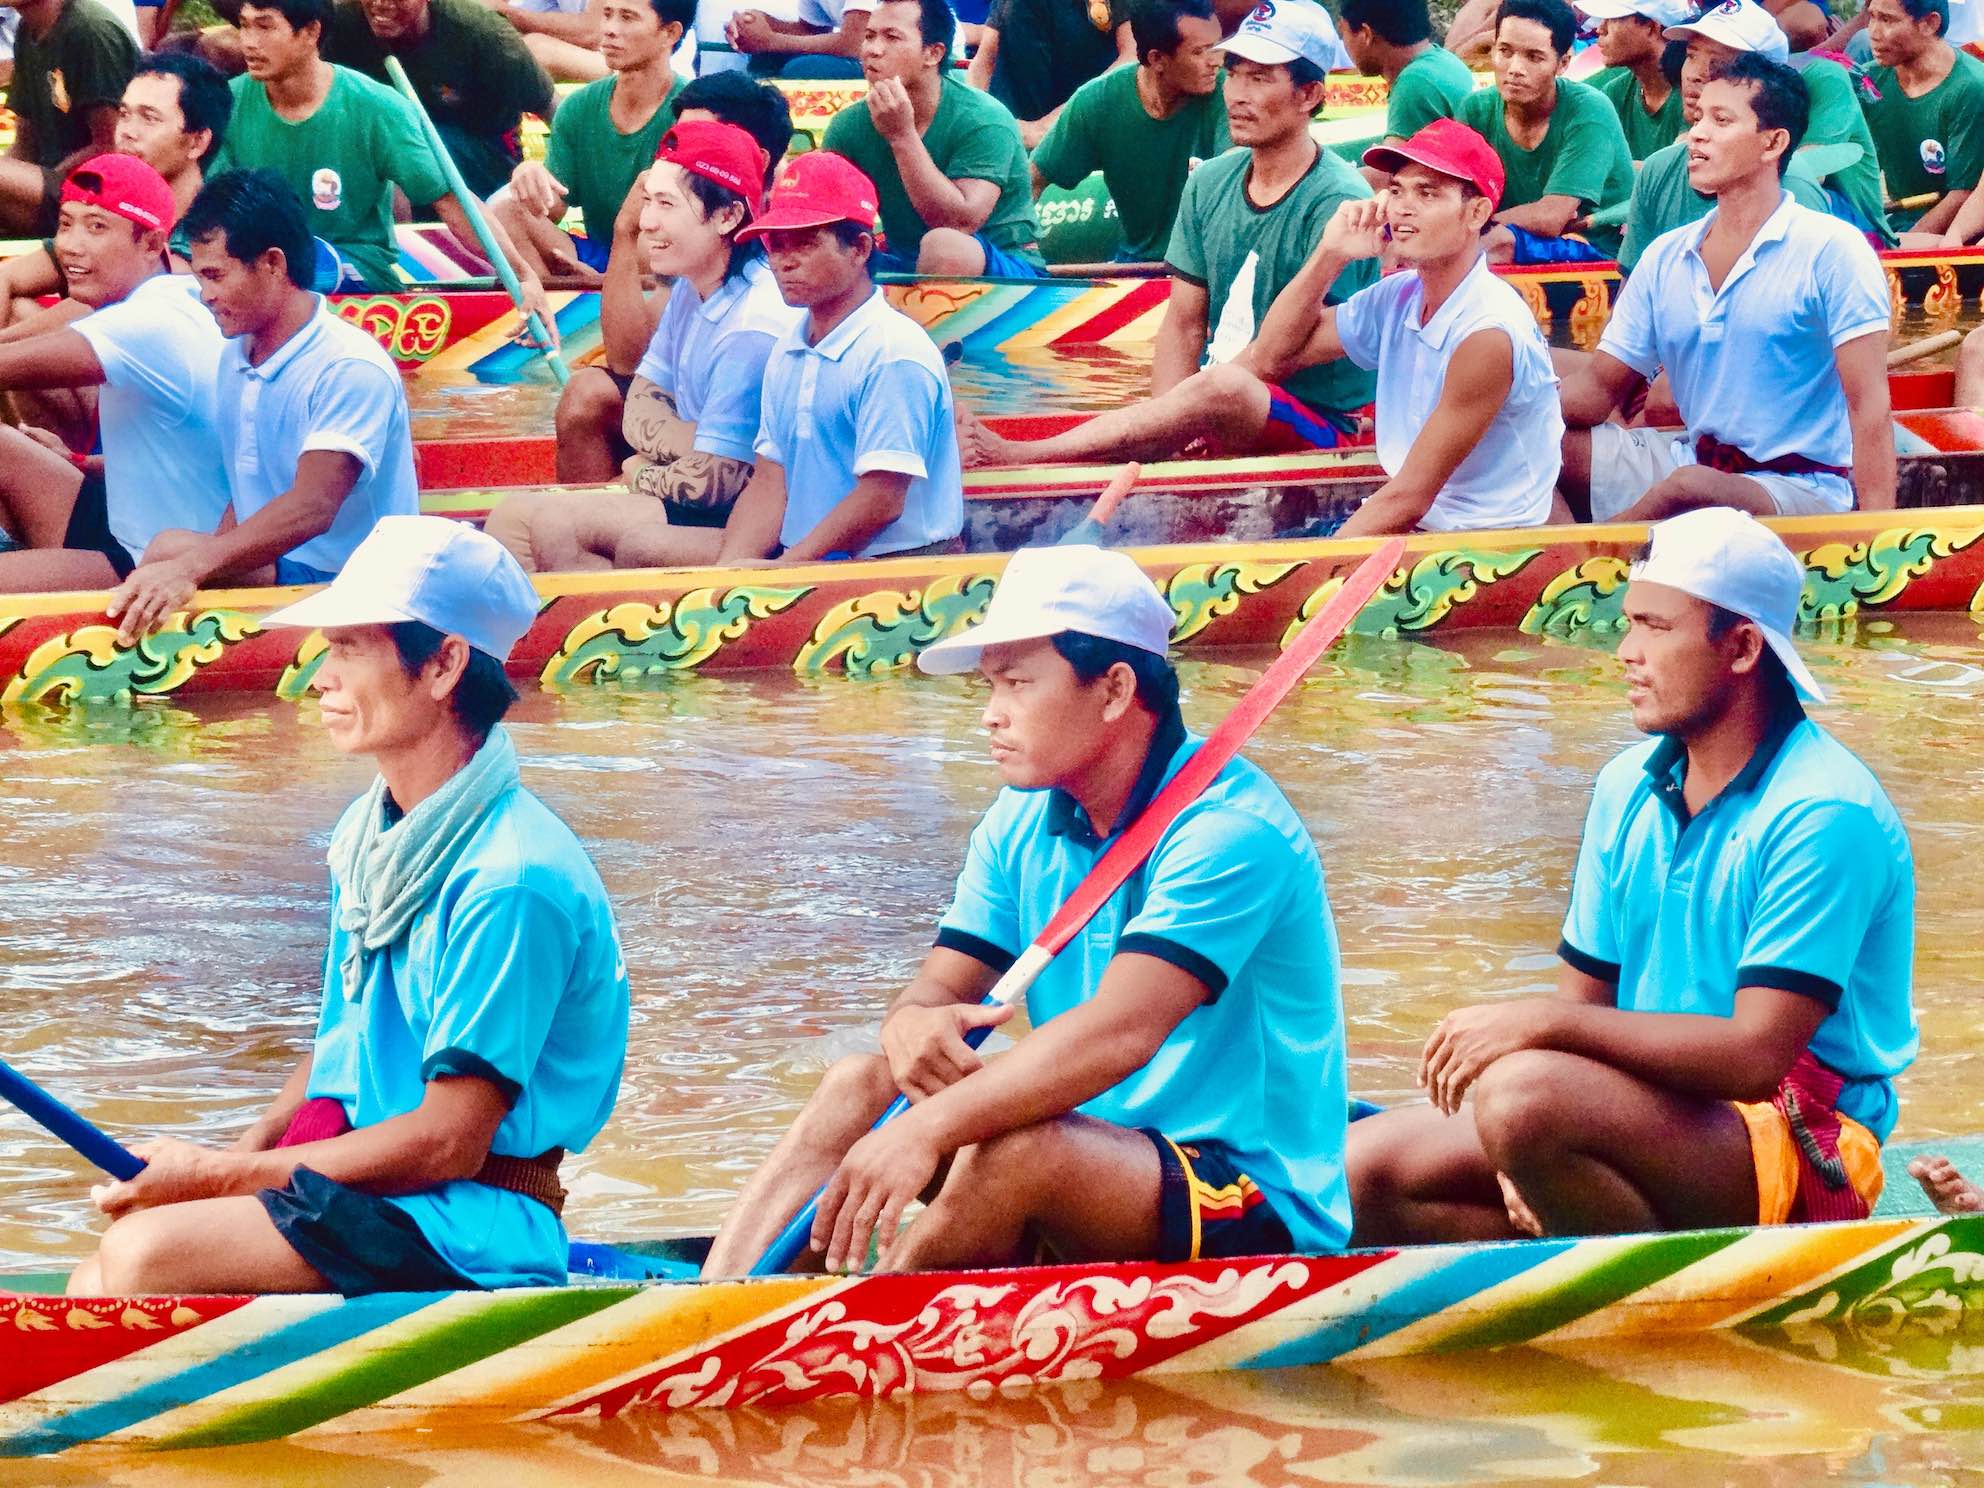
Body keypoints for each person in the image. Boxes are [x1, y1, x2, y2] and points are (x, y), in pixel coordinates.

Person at [699, 542, 1351, 1277]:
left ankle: (863, 1330)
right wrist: (910, 1026)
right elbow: (938, 991)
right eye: (988, 687)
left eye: (1015, 684)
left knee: (1022, 1153)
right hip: (1098, 1151)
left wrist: (925, 1133)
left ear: (1113, 690)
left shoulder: (1230, 833)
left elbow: (1120, 1034)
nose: (990, 717)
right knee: (861, 1083)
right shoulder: (1019, 820)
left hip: (1250, 1193)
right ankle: (708, 1309)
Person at [69, 516, 630, 1297]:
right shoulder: (370, 837)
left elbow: (448, 1143)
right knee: (101, 1266)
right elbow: (349, 1039)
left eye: (348, 648)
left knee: (141, 1260)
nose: (319, 679)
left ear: (443, 665)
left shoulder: (512, 879)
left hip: (470, 1219)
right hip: (382, 1192)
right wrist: (231, 1156)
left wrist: (228, 1179)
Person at [1346, 506, 1916, 1247]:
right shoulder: (1625, 786)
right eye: (1630, 624)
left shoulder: (1825, 812)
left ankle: (1655, 1294)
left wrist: (1536, 1037)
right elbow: (1589, 1000)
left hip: (1802, 1139)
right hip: (1648, 1114)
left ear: (1742, 648)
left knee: (1521, 1097)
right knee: (1358, 1174)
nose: (1626, 651)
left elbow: (1753, 1055)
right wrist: (1521, 1140)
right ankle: (1568, 1235)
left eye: (1655, 626)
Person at [958, 0, 1378, 468]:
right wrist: (1170, 425)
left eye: (1259, 79)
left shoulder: (1339, 200)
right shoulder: (1208, 182)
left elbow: (1276, 360)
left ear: (1309, 95)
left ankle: (1020, 455)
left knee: (1223, 386)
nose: (1236, 93)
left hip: (1325, 422)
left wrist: (1184, 411)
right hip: (1223, 396)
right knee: (1196, 394)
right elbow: (1182, 323)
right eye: (1233, 72)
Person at [1556, 54, 1894, 523]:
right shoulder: (1665, 256)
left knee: (1690, 488)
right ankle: (1556, 559)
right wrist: (1506, 411)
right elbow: (1597, 388)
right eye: (1697, 118)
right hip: (1691, 459)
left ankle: (1584, 564)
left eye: (1721, 120)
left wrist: (1880, 534)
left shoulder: (1833, 249)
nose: (1697, 133)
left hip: (1800, 490)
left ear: (1773, 142)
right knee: (1532, 444)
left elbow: (1870, 406)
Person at [106, 170, 420, 641]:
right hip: (288, 570)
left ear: (273, 264)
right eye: (198, 278)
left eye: (215, 276)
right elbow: (247, 487)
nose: (205, 296)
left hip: (357, 584)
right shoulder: (235, 352)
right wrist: (204, 565)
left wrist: (192, 566)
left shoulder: (349, 366)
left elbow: (314, 506)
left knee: (171, 548)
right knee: (173, 550)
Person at [484, 121, 798, 571]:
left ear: (728, 216)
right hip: (697, 485)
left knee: (555, 526)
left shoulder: (752, 325)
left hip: (746, 513)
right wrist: (688, 444)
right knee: (513, 519)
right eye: (648, 200)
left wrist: (640, 471)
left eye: (667, 204)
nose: (645, 221)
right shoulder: (693, 285)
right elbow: (640, 406)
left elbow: (714, 483)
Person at [1248, 120, 1564, 535]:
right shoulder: (1398, 296)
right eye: (1396, 190)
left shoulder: (1487, 332)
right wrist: (1330, 254)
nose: (1401, 208)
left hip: (1481, 548)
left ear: (1477, 213)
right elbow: (1271, 357)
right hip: (1422, 528)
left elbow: (1410, 497)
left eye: (1427, 193)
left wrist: (1306, 573)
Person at [213, 0, 557, 325]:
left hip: (352, 261)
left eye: (264, 27)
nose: (249, 42)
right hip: (263, 263)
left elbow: (453, 204)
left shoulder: (380, 107)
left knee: (278, 270)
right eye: (244, 26)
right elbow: (207, 209)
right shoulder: (230, 102)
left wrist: (521, 276)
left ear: (310, 33)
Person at [697, 150, 965, 563]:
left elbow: (882, 500)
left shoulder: (894, 353)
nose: (785, 262)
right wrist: (732, 574)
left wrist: (783, 571)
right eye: (776, 244)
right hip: (810, 563)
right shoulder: (788, 347)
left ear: (858, 249)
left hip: (901, 570)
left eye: (805, 242)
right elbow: (771, 480)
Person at [541, 70, 793, 486]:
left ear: (758, 159)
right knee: (586, 393)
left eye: (699, 139)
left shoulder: (787, 236)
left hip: (749, 458)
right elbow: (627, 362)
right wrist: (626, 231)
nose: (678, 151)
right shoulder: (680, 227)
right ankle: (593, 514)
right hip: (683, 426)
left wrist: (640, 471)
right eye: (679, 136)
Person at [0, 157, 229, 592]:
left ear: (150, 243)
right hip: (126, 512)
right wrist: (78, 462)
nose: (70, 245)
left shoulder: (146, 323)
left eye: (97, 227)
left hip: (155, 563)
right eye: (66, 224)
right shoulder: (174, 291)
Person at [0, 53, 233, 332]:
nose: (126, 132)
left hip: (130, 355)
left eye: (149, 118)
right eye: (124, 114)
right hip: (87, 349)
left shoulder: (208, 230)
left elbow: (100, 322)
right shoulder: (112, 202)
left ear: (197, 142)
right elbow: (9, 276)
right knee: (16, 309)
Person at [1617, 5, 1857, 271]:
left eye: (1717, 62)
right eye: (1691, 55)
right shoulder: (1658, 172)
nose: (1695, 73)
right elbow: (1630, 301)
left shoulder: (1793, 187)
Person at [820, 0, 1045, 277]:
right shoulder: (848, 125)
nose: (872, 50)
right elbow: (826, 214)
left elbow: (960, 222)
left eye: (891, 37)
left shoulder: (985, 118)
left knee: (944, 246)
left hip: (1002, 266)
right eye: (869, 36)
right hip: (904, 261)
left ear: (933, 53)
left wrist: (902, 136)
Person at [492, 0, 694, 283]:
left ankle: (583, 287)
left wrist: (609, 278)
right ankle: (552, 304)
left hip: (660, 255)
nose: (610, 29)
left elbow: (692, 227)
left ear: (670, 33)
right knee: (503, 211)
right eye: (607, 15)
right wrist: (528, 179)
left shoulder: (693, 112)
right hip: (598, 254)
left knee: (670, 238)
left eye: (627, 18)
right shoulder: (578, 106)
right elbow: (552, 209)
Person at [1028, 0, 1228, 264]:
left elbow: (1241, 167)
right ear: (1157, 59)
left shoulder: (1229, 90)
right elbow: (1031, 180)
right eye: (1200, 52)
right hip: (1136, 264)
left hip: (1211, 264)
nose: (1216, 62)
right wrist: (1023, 248)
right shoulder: (1098, 100)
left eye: (1218, 47)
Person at [1456, 0, 1635, 263]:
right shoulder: (1475, 110)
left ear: (1563, 63)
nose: (1515, 69)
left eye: (1534, 57)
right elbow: (1450, 192)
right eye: (1505, 51)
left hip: (1602, 250)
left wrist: (1468, 224)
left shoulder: (1589, 111)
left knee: (1493, 243)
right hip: (1506, 235)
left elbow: (1551, 217)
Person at [324, 0, 556, 200]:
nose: (381, 3)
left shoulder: (482, 34)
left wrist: (561, 181)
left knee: (391, 147)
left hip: (482, 153)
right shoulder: (341, 23)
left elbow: (557, 112)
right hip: (388, 144)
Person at [0, 0, 140, 235]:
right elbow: (25, 143)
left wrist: (39, 179)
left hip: (101, 194)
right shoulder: (28, 30)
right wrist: (17, 181)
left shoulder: (90, 30)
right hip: (49, 185)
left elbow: (112, 145)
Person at [1860, 0, 1984, 237]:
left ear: (1929, 23)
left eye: (1887, 20)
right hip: (1895, 222)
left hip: (1954, 231)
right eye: (1872, 17)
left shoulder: (1971, 87)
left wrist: (1901, 248)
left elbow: (1964, 193)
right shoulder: (1867, 80)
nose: (1873, 33)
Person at [1340, 0, 1477, 188]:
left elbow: (1388, 177)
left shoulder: (1415, 82)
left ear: (1365, 34)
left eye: (1344, 33)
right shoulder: (1442, 60)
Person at [966, 0, 1134, 150]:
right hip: (1015, 127)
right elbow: (984, 61)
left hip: (1083, 123)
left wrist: (1045, 128)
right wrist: (977, 119)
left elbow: (1131, 57)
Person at [1579, 0, 1690, 161]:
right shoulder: (1615, 92)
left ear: (1651, 27)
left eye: (1613, 19)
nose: (1600, 29)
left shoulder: (1693, 95)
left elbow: (1675, 174)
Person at [726, 0, 870, 78]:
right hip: (861, 55)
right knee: (766, 57)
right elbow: (811, 31)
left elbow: (853, 44)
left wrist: (771, 41)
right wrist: (757, 24)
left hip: (884, 64)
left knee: (803, 68)